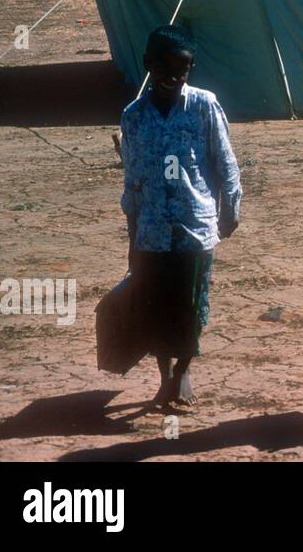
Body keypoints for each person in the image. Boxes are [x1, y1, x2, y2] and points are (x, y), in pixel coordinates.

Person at [120, 24, 242, 409]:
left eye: (183, 68)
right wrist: (132, 232)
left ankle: (183, 371)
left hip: (195, 224)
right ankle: (164, 376)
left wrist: (230, 210)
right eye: (164, 68)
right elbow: (132, 180)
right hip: (152, 230)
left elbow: (225, 163)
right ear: (147, 65)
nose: (173, 76)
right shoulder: (134, 117)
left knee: (191, 302)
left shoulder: (204, 106)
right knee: (156, 303)